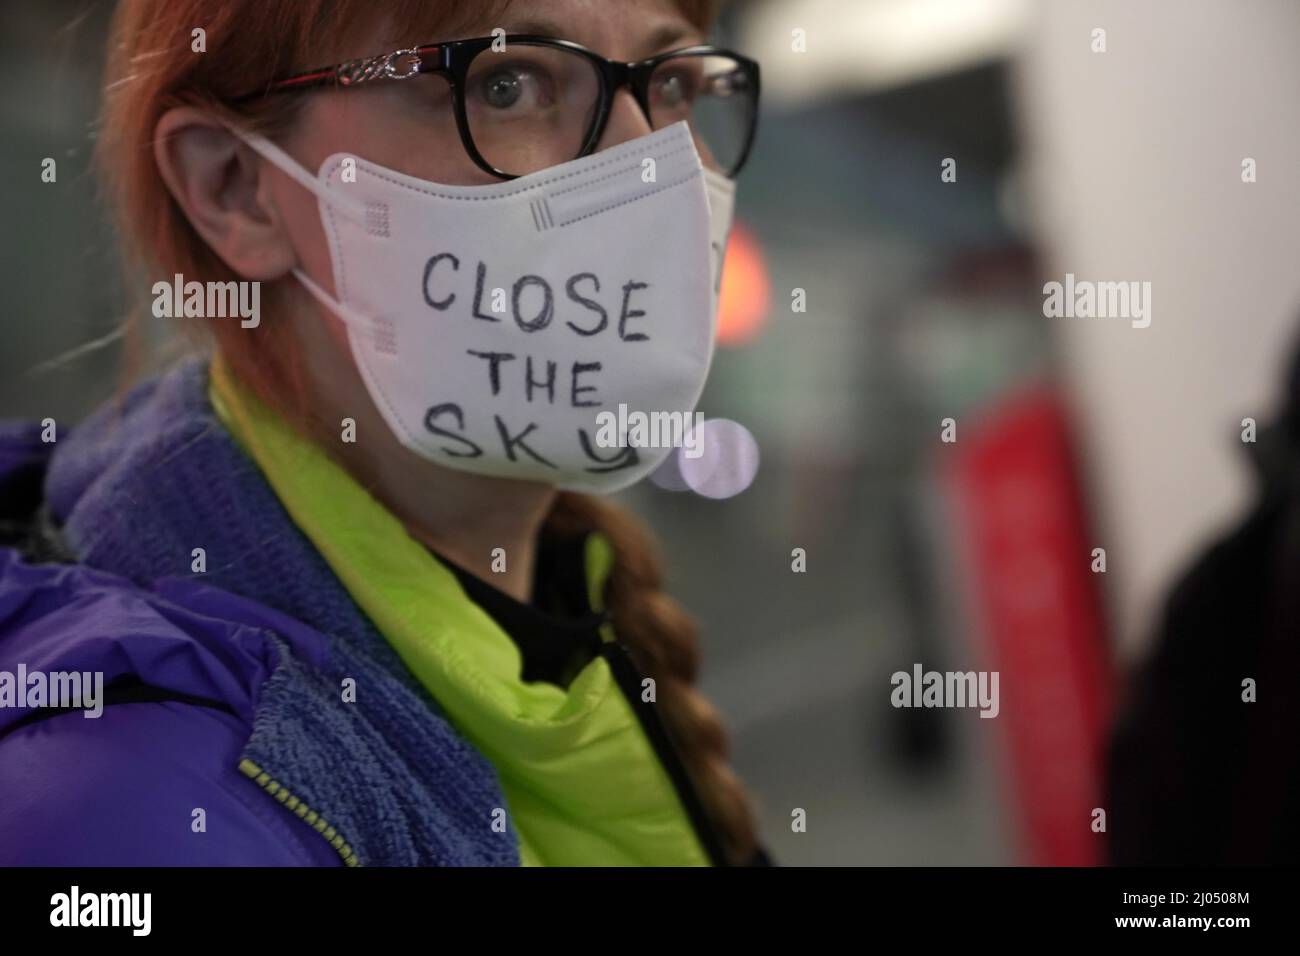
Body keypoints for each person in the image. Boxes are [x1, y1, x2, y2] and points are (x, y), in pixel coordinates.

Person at [0, 0, 769, 866]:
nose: (653, 168)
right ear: (235, 189)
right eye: (507, 84)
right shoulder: (136, 802)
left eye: (671, 87)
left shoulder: (566, 614)